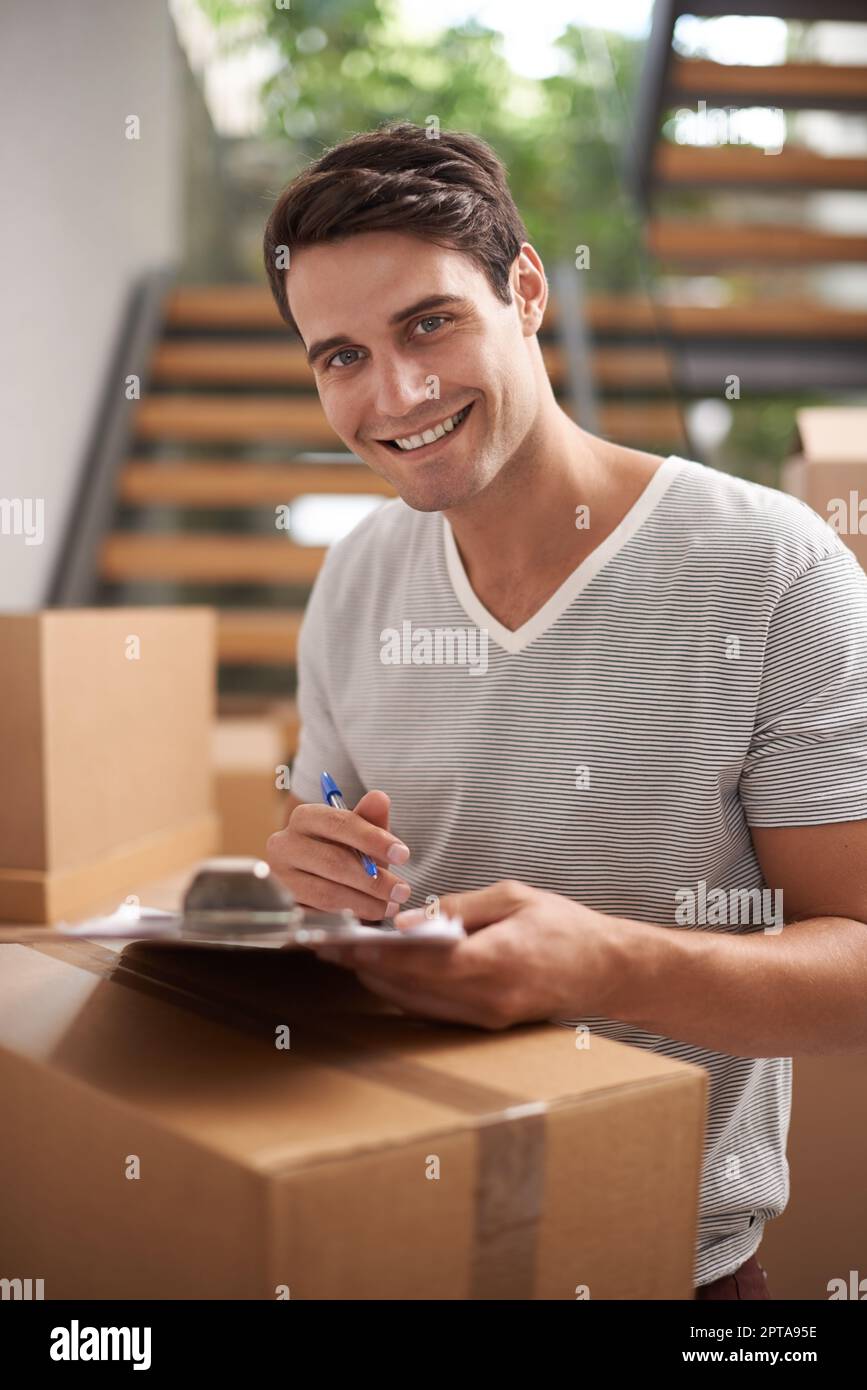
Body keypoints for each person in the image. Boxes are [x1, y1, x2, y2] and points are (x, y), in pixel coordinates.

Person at [262, 123, 867, 1298]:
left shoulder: (773, 570)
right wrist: (305, 878)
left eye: (429, 322)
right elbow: (319, 838)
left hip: (667, 1262)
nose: (397, 393)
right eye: (340, 355)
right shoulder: (354, 581)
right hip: (397, 1233)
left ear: (525, 289)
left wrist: (598, 966)